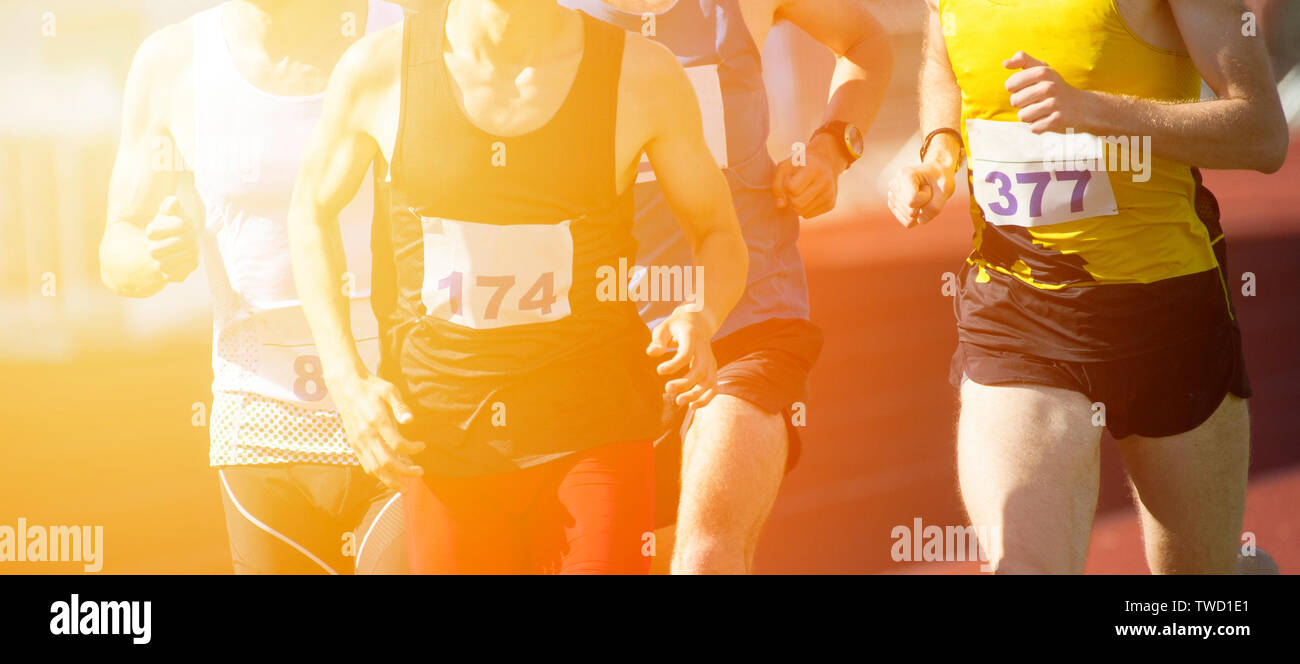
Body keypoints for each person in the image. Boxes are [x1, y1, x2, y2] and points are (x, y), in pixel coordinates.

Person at [287, 0, 749, 574]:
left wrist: (699, 316)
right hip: (444, 435)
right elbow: (308, 213)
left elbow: (719, 235)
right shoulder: (379, 70)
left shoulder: (641, 74)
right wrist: (344, 376)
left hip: (595, 427)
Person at [887, 0, 1289, 573]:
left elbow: (1262, 133)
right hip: (1017, 310)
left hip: (1166, 313)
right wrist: (939, 153)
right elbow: (943, 59)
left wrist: (1093, 110)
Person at [558, 0, 891, 574]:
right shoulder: (539, 16)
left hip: (745, 312)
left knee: (707, 556)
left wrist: (830, 150)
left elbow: (866, 41)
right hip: (601, 337)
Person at [100, 0, 407, 574]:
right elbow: (115, 250)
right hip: (261, 429)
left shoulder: (402, 39)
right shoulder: (173, 62)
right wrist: (158, 253)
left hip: (393, 411)